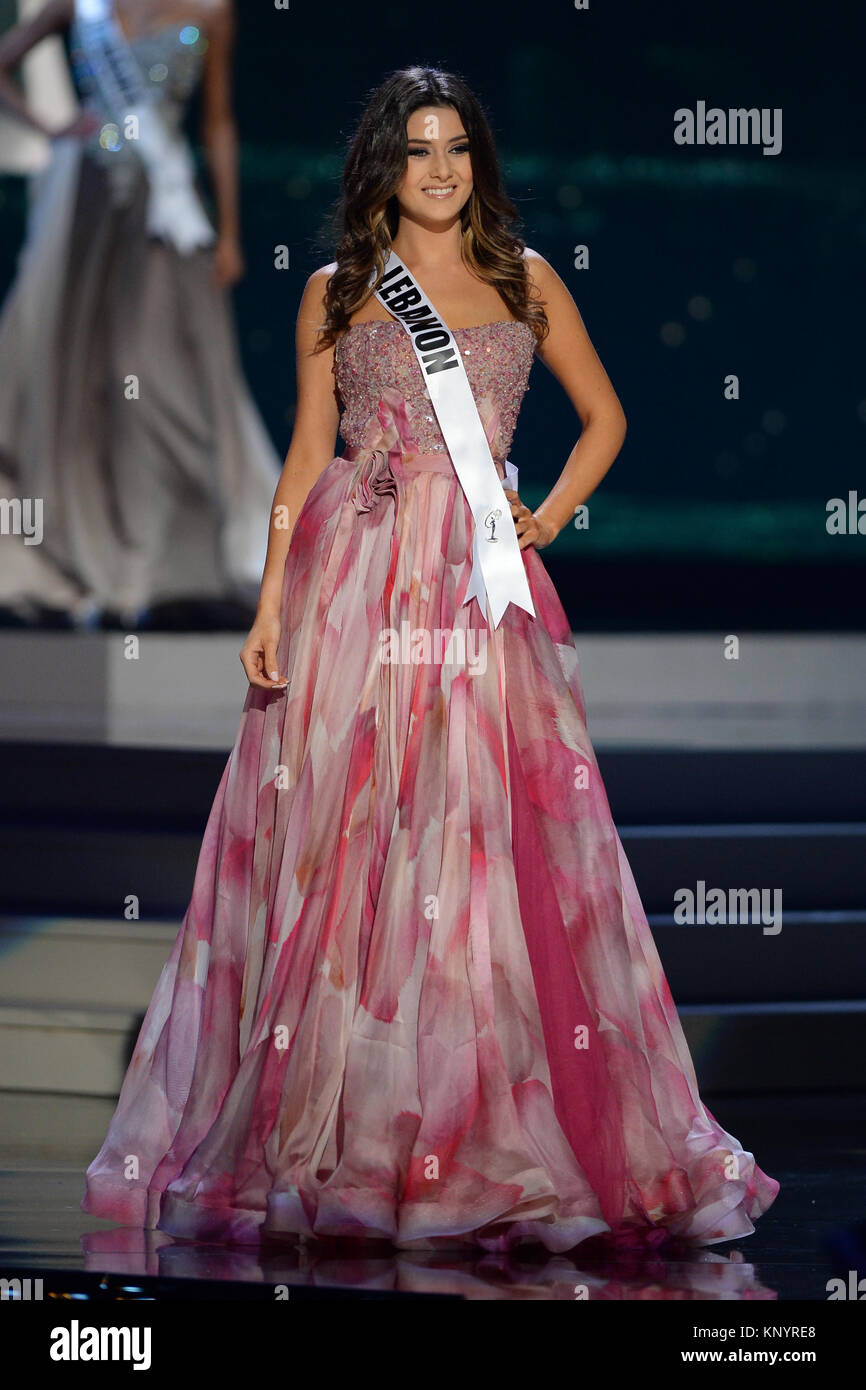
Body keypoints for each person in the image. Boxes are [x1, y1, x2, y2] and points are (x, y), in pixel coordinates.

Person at [81, 66, 779, 1253]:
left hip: (473, 580)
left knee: (474, 828)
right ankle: (353, 1132)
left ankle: (474, 1133)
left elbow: (604, 417)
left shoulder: (525, 277)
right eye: (417, 149)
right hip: (354, 582)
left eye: (456, 147)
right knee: (349, 834)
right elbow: (306, 455)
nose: (441, 168)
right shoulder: (335, 291)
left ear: (476, 162)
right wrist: (270, 600)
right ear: (385, 165)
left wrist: (545, 516)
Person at [0, 0, 279, 626]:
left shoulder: (211, 11)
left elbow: (218, 122)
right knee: (80, 378)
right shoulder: (83, 6)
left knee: (151, 375)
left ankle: (163, 561)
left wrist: (230, 233)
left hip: (163, 210)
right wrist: (51, 128)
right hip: (88, 202)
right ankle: (90, 562)